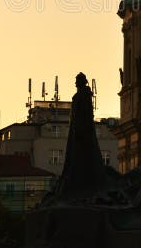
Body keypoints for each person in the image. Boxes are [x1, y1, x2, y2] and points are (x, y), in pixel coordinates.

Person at [55, 72, 106, 201]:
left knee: (80, 155)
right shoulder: (81, 96)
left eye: (77, 80)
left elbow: (86, 115)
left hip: (81, 131)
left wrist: (79, 129)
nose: (75, 82)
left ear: (81, 82)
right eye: (76, 80)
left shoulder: (82, 96)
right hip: (78, 130)